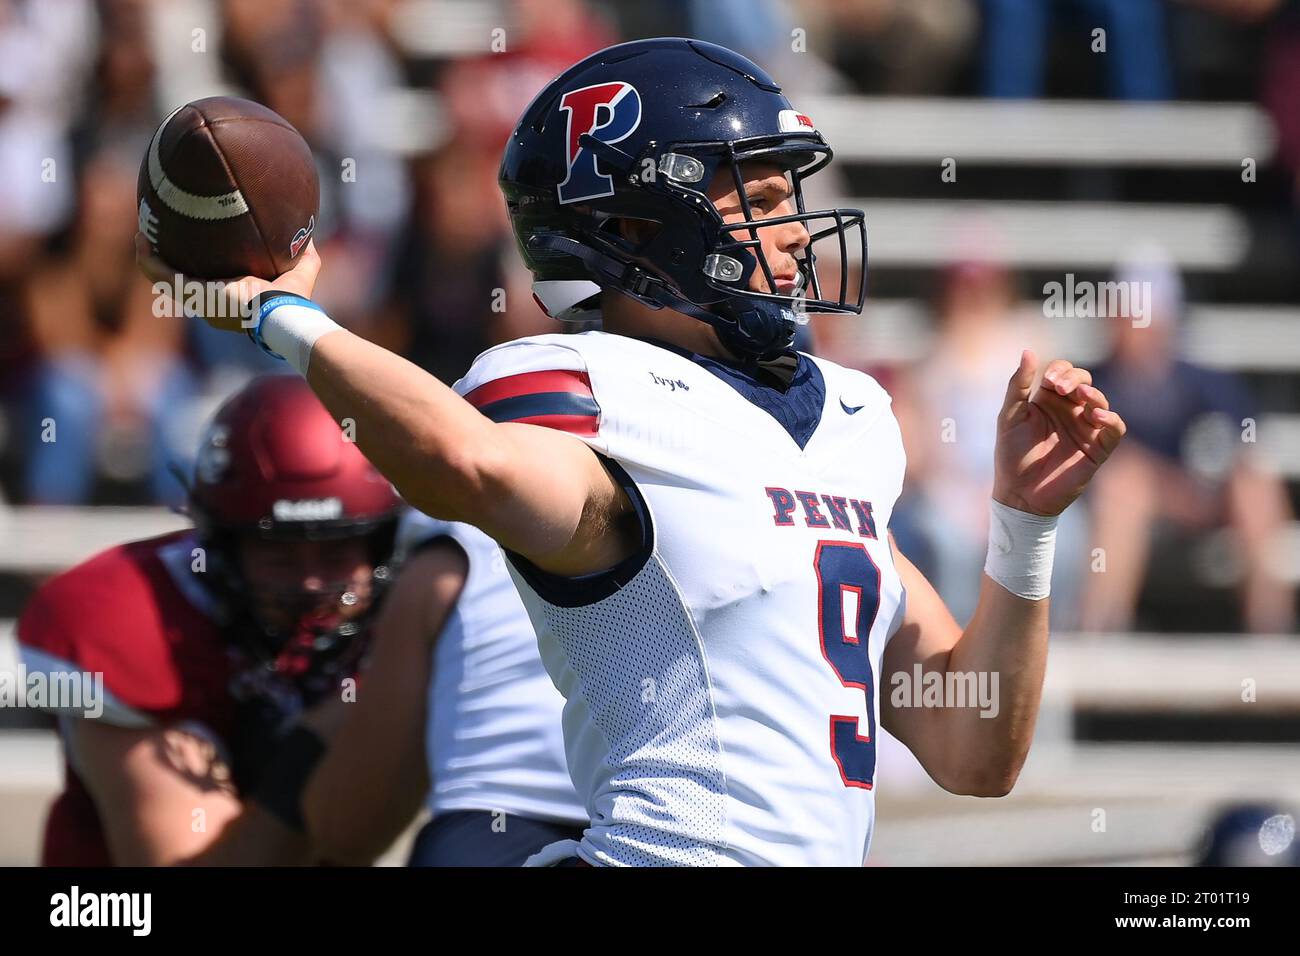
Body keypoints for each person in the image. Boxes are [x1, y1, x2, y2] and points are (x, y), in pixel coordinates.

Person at [141, 38, 1127, 866]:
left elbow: (973, 745)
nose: (794, 236)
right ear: (634, 223)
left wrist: (1023, 523)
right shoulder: (588, 383)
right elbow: (467, 465)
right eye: (763, 198)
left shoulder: (851, 419)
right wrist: (286, 317)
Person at [16, 375, 401, 865]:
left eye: (336, 551)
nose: (310, 583)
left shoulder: (419, 599)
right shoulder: (132, 618)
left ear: (383, 545)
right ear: (222, 548)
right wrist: (320, 742)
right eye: (280, 554)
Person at [299, 508, 588, 867]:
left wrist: (302, 743)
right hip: (662, 826)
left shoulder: (452, 549)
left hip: (492, 830)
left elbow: (346, 827)